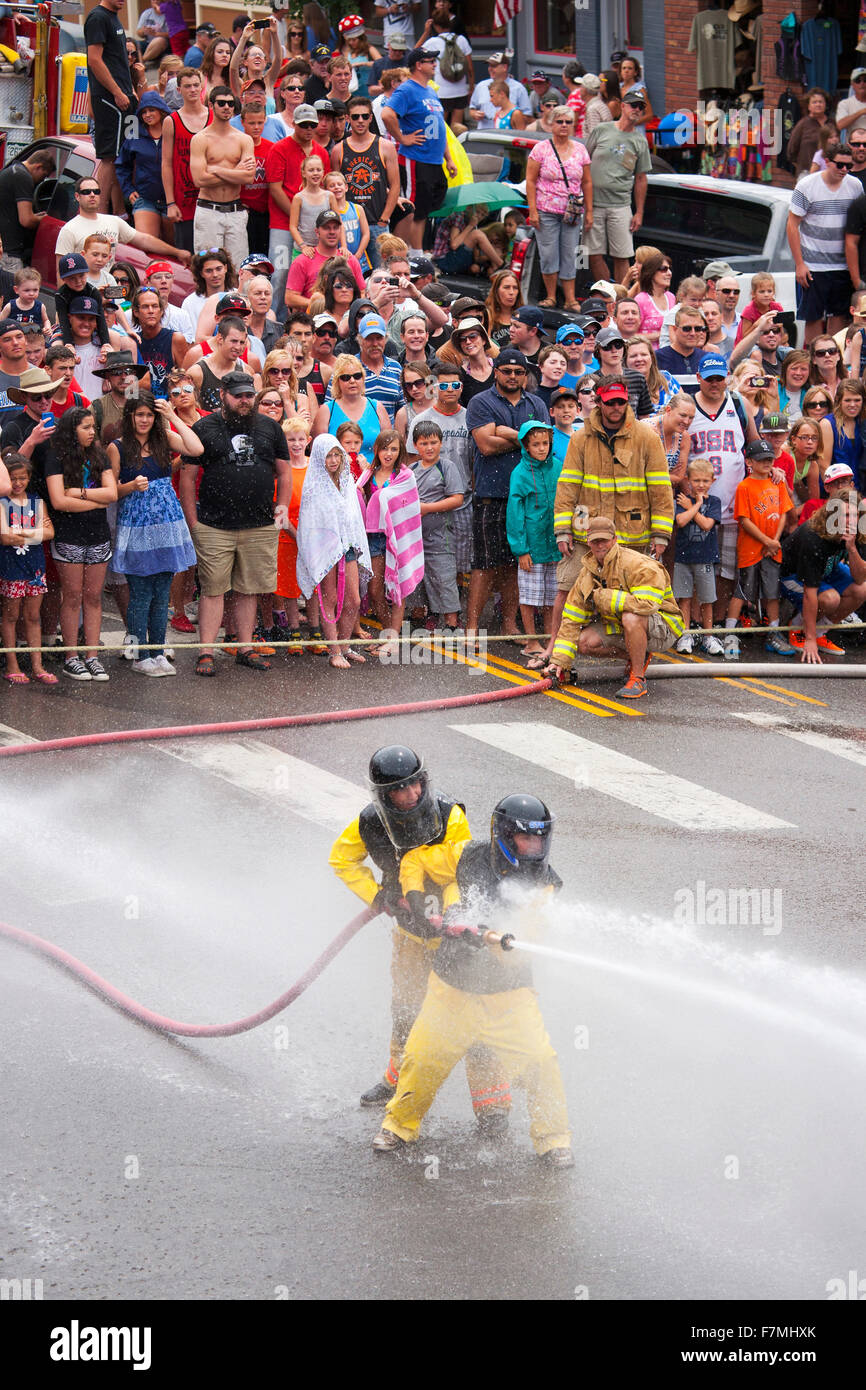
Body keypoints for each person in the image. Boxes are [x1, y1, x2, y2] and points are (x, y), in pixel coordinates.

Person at [374, 792, 571, 1166]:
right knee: (421, 1059)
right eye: (526, 838)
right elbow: (416, 860)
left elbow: (523, 944)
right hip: (451, 989)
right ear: (503, 835)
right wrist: (415, 898)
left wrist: (487, 937)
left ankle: (554, 1140)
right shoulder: (466, 856)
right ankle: (398, 1127)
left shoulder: (546, 885)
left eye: (539, 840)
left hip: (510, 998)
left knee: (540, 1062)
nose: (534, 848)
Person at [331, 745, 509, 1121]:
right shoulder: (369, 823)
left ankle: (492, 1103)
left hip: (455, 939)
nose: (412, 794)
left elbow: (459, 869)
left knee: (474, 1014)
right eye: (401, 789)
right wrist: (378, 896)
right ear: (384, 796)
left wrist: (451, 914)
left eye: (417, 784)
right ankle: (397, 1079)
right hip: (410, 937)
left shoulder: (450, 816)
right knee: (406, 1010)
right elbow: (342, 859)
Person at [178, 372, 290, 676]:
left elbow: (284, 472)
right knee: (213, 590)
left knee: (248, 589)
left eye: (248, 395)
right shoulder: (203, 428)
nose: (244, 401)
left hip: (260, 524)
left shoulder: (270, 428)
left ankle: (245, 648)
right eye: (238, 395)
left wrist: (281, 507)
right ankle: (205, 652)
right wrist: (193, 523)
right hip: (214, 525)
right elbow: (186, 480)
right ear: (222, 394)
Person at [108, 392, 200, 676]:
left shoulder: (164, 438)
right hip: (136, 523)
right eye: (140, 415)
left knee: (162, 594)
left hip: (166, 522)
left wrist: (171, 417)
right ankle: (138, 653)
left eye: (149, 415)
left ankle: (158, 651)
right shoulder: (118, 447)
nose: (145, 420)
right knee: (140, 593)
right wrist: (130, 486)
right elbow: (111, 490)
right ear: (130, 417)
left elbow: (196, 449)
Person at [464, 348, 550, 647]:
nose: (512, 376)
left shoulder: (537, 403)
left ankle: (509, 624)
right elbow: (486, 445)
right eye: (506, 371)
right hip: (491, 494)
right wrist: (523, 438)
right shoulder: (480, 401)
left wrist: (508, 433)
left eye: (518, 372)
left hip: (529, 497)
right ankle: (472, 627)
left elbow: (543, 445)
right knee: (485, 565)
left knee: (518, 564)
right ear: (495, 371)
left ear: (525, 375)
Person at [549, 513, 682, 698]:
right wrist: (560, 662)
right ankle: (637, 656)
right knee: (583, 642)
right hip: (624, 625)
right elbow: (571, 618)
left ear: (615, 539)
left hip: (663, 627)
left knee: (631, 616)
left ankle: (638, 679)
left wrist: (606, 597)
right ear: (588, 542)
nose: (600, 545)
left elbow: (647, 606)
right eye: (595, 541)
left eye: (604, 540)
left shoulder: (638, 564)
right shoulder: (587, 572)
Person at [43, 407, 117, 682]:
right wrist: (95, 501)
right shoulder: (56, 456)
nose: (91, 432)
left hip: (98, 534)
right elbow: (58, 501)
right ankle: (71, 656)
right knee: (72, 596)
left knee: (93, 597)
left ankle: (92, 656)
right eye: (85, 427)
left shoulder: (98, 455)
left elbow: (111, 494)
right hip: (69, 535)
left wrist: (80, 493)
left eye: (93, 427)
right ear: (71, 429)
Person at [295, 432, 371, 667]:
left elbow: (354, 517)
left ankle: (345, 644)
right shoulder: (314, 486)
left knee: (354, 600)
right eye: (328, 456)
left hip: (347, 546)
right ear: (319, 457)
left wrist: (353, 542)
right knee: (329, 600)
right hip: (326, 549)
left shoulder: (347, 482)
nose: (334, 460)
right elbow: (311, 524)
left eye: (337, 454)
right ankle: (334, 650)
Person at [380, 48, 457, 252]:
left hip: (434, 159)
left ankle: (414, 251)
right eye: (429, 60)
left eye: (434, 60)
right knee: (413, 209)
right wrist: (402, 138)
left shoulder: (430, 90)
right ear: (418, 65)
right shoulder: (407, 89)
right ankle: (409, 253)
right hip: (416, 158)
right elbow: (387, 114)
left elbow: (440, 127)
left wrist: (448, 158)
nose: (434, 64)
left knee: (426, 208)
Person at [787, 141, 862, 345]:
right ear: (827, 162)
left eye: (849, 165)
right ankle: (813, 365)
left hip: (842, 265)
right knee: (813, 319)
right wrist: (800, 264)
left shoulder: (855, 185)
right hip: (813, 265)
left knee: (838, 317)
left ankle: (833, 363)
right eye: (840, 165)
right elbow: (792, 225)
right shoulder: (807, 185)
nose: (845, 170)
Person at [356, 430, 423, 657]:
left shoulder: (404, 476)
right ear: (376, 450)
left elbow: (409, 507)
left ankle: (393, 640)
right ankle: (388, 634)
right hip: (374, 537)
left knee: (398, 588)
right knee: (375, 590)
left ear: (400, 451)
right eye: (385, 448)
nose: (389, 453)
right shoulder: (368, 474)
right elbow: (361, 500)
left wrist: (382, 499)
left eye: (394, 449)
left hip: (398, 535)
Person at [779, 490, 866, 664]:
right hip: (791, 576)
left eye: (854, 515)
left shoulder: (857, 528)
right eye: (845, 515)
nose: (850, 520)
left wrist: (852, 549)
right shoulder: (813, 536)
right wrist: (809, 641)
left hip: (827, 567)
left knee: (862, 589)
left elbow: (860, 578)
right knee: (830, 598)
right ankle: (798, 629)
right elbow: (809, 594)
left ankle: (819, 632)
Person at [526, 106, 592, 312]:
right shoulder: (541, 149)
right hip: (546, 209)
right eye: (560, 122)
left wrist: (589, 211)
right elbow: (530, 180)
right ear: (552, 124)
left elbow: (587, 182)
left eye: (568, 122)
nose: (564, 126)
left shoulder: (581, 150)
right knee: (548, 254)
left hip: (572, 211)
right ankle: (551, 296)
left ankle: (571, 299)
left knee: (571, 253)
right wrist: (532, 210)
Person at [506, 420, 561, 661]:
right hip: (532, 546)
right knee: (529, 596)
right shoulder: (519, 473)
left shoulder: (558, 467)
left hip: (556, 545)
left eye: (545, 443)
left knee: (552, 596)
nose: (541, 448)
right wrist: (521, 549)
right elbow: (514, 513)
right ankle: (531, 640)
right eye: (536, 444)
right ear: (526, 446)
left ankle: (550, 638)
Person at [329, 96, 403, 271]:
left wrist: (384, 219)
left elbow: (395, 185)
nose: (360, 121)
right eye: (355, 117)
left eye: (364, 116)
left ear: (371, 117)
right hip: (349, 224)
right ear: (348, 118)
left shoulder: (385, 146)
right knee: (349, 273)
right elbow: (334, 188)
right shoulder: (339, 149)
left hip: (377, 222)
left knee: (383, 273)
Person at [584, 91, 651, 283]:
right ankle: (609, 294)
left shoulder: (640, 141)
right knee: (592, 254)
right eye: (633, 105)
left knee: (622, 256)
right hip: (593, 203)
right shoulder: (602, 130)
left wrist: (639, 212)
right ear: (622, 106)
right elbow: (583, 162)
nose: (637, 110)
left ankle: (621, 298)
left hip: (620, 204)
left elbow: (641, 178)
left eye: (641, 107)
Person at [0, 453, 55, 685]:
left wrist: (21, 533)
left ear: (29, 478)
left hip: (34, 568)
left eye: (22, 478)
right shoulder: (2, 503)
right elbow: (5, 538)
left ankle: (37, 665)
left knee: (33, 616)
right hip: (11, 567)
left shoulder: (37, 501)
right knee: (11, 616)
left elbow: (50, 533)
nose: (18, 483)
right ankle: (12, 664)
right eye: (13, 478)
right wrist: (35, 533)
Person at [406, 419, 463, 630]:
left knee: (443, 577)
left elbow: (457, 498)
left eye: (433, 442)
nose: (429, 448)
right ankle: (418, 618)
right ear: (415, 445)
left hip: (440, 535)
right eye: (423, 443)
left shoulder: (446, 466)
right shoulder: (410, 469)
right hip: (413, 537)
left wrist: (426, 508)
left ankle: (451, 624)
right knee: (416, 579)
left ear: (441, 443)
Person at [189, 88, 255, 264]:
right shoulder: (201, 139)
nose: (227, 107)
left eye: (231, 103)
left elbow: (248, 177)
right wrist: (236, 170)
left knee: (238, 268)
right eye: (221, 103)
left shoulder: (243, 139)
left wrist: (217, 170)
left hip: (235, 210)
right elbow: (199, 180)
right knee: (207, 267)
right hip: (208, 210)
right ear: (211, 105)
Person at [85, 0, 137, 214]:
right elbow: (94, 60)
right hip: (110, 100)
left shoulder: (113, 17)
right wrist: (117, 92)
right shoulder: (97, 17)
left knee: (124, 156)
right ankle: (98, 212)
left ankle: (119, 212)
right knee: (109, 156)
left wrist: (131, 90)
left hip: (125, 98)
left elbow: (118, 62)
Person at [671, 457, 723, 656]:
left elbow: (707, 525)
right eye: (696, 481)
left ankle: (708, 635)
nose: (701, 485)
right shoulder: (682, 500)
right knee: (684, 597)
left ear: (712, 481)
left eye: (705, 481)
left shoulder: (714, 502)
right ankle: (685, 634)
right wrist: (693, 506)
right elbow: (681, 522)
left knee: (707, 599)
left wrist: (695, 504)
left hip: (705, 557)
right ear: (688, 480)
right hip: (683, 557)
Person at [161, 67, 213, 254]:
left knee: (213, 257)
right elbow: (166, 163)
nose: (192, 89)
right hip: (183, 202)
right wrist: (170, 203)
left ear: (202, 88)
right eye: (187, 86)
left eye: (196, 85)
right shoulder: (171, 121)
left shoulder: (214, 116)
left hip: (212, 198)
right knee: (188, 258)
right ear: (179, 90)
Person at [417, 2, 473, 128]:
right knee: (457, 127)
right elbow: (469, 68)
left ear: (435, 25)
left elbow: (414, 52)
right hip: (461, 90)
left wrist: (426, 32)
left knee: (441, 127)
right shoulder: (461, 40)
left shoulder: (433, 42)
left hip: (442, 91)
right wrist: (470, 87)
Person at [0, 150, 56, 272]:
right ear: (38, 167)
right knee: (14, 289)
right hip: (12, 254)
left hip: (5, 249)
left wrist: (34, 215)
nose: (42, 181)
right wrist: (44, 218)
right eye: (44, 175)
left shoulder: (12, 170)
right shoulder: (23, 177)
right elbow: (26, 220)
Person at [89, 349, 148, 446]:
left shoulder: (149, 405)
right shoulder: (96, 408)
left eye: (128, 371)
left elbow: (164, 442)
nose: (124, 377)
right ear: (108, 376)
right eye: (117, 372)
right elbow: (94, 452)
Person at [468, 50, 531, 130]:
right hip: (483, 133)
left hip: (506, 135)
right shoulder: (481, 86)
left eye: (494, 66)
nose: (490, 69)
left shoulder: (518, 88)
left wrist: (508, 117)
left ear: (505, 67)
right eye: (489, 66)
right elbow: (472, 109)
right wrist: (475, 114)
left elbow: (527, 116)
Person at [819, 380, 866, 488]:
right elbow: (823, 466)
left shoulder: (862, 422)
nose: (852, 405)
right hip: (835, 489)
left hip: (859, 489)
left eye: (857, 400)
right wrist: (837, 494)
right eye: (847, 400)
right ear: (838, 400)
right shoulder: (827, 424)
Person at [229, 17, 282, 112]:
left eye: (261, 55)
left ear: (265, 62)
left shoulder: (268, 81)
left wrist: (274, 34)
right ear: (245, 62)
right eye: (253, 55)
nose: (257, 57)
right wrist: (244, 38)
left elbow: (278, 59)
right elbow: (233, 68)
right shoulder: (241, 85)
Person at [786, 88, 832, 176]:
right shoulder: (803, 124)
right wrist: (802, 167)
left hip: (828, 173)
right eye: (814, 102)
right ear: (808, 106)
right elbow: (791, 151)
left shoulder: (831, 124)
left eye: (821, 102)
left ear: (825, 104)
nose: (818, 104)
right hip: (807, 172)